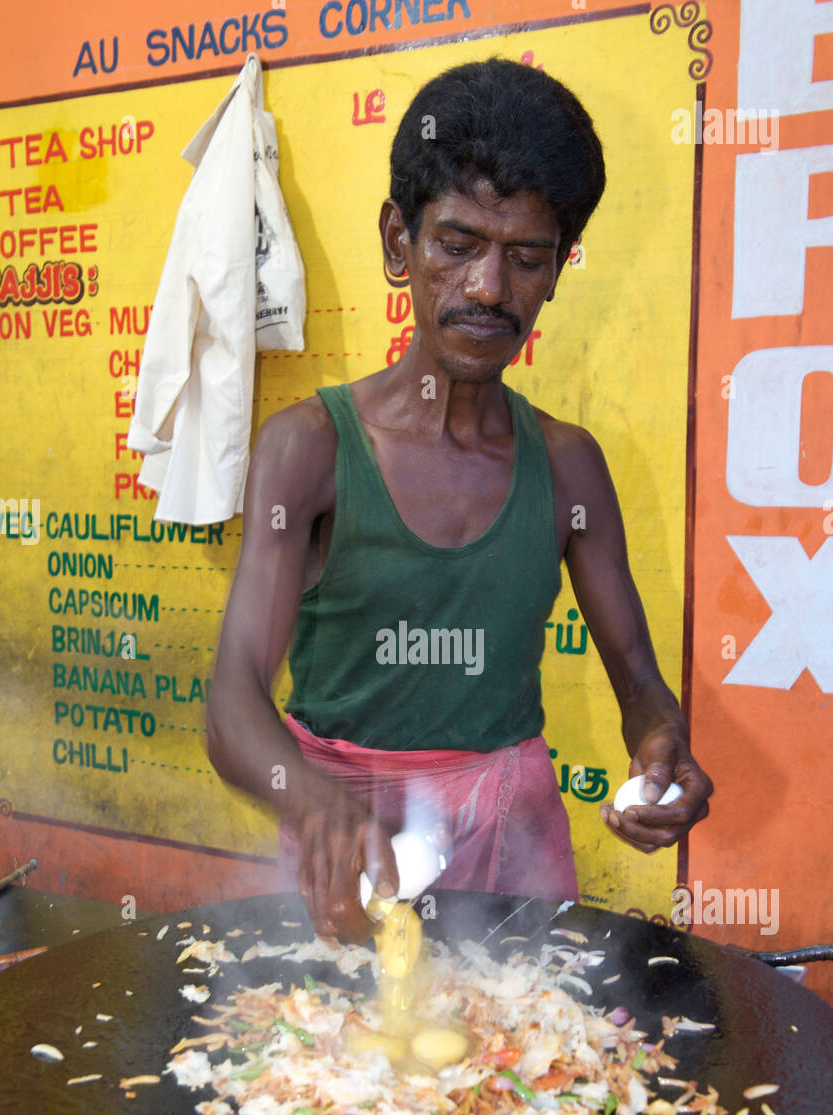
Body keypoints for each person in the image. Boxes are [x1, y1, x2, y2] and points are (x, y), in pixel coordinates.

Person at [206, 56, 712, 944]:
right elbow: (234, 701)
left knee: (534, 1057)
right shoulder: (309, 449)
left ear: (558, 270)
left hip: (514, 844)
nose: (488, 288)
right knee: (329, 1064)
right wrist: (321, 808)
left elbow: (637, 677)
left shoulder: (570, 468)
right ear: (398, 242)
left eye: (525, 257)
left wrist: (664, 747)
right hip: (346, 856)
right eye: (457, 244)